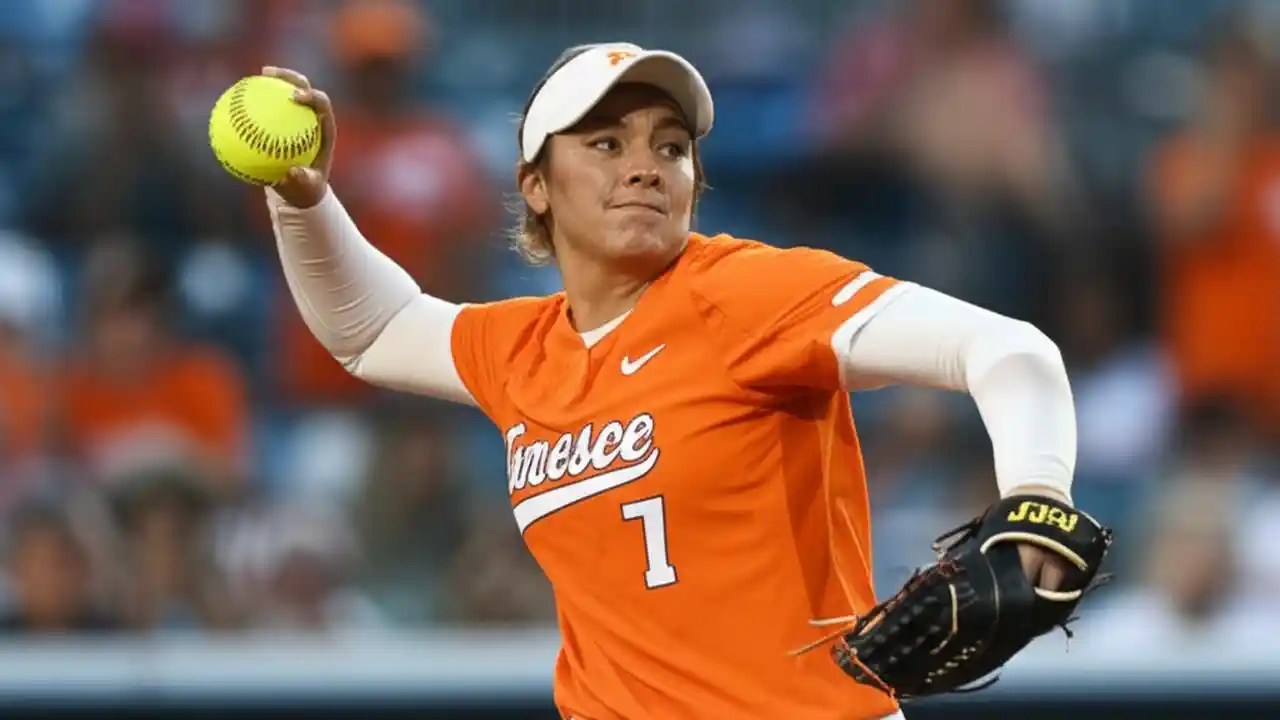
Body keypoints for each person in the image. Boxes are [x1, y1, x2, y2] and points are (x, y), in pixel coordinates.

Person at [261, 42, 1082, 720]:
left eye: (670, 145)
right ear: (536, 187)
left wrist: (1035, 499)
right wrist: (302, 198)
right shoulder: (523, 349)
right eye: (607, 143)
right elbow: (370, 330)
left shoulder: (743, 294)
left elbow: (1009, 352)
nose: (647, 166)